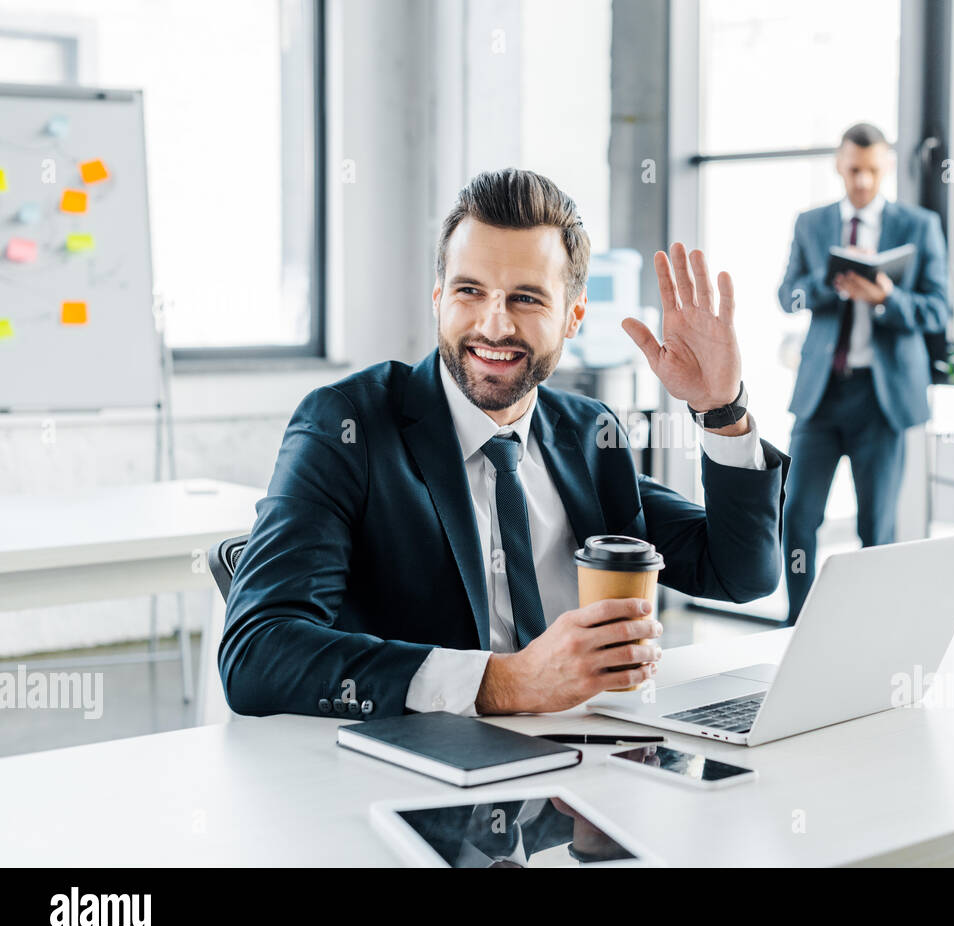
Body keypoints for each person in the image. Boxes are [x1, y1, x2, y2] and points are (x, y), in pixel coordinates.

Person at [221, 168, 789, 719]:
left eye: (527, 298)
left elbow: (740, 573)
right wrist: (505, 683)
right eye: (470, 291)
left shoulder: (589, 435)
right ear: (439, 297)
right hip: (422, 774)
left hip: (585, 761)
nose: (494, 326)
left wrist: (723, 411)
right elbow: (257, 652)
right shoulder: (348, 427)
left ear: (573, 316)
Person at [777, 123, 950, 624]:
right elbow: (789, 297)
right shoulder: (811, 224)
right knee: (798, 519)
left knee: (878, 529)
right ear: (838, 164)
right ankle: (797, 628)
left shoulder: (917, 226)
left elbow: (938, 311)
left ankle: (870, 633)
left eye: (873, 171)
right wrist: (834, 284)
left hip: (883, 400)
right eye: (854, 170)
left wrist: (887, 298)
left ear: (887, 168)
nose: (862, 182)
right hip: (821, 396)